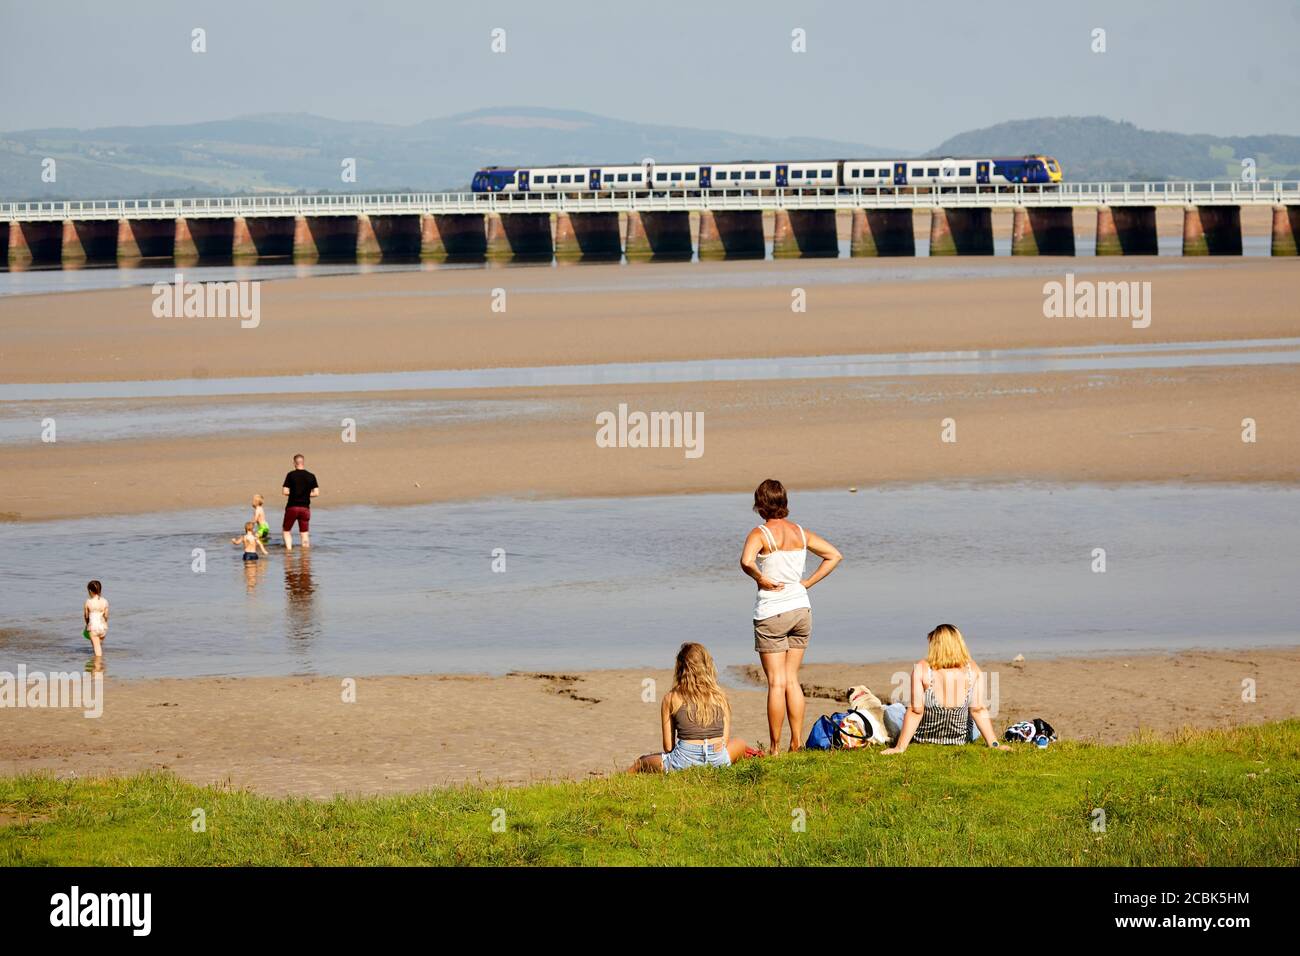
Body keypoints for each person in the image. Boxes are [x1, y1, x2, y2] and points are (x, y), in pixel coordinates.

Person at [740, 479, 841, 755]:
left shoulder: (760, 533)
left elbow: (746, 561)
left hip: (772, 612)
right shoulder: (799, 532)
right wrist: (806, 583)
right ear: (784, 502)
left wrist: (761, 579)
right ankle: (796, 741)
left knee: (776, 682)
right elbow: (834, 555)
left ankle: (774, 747)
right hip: (801, 610)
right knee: (792, 679)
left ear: (760, 506)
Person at [881, 623, 1008, 754]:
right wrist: (994, 744)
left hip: (925, 737)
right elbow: (978, 710)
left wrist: (899, 747)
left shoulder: (922, 668)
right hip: (961, 738)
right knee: (974, 718)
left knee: (892, 709)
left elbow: (915, 711)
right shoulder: (973, 669)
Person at [628, 642, 749, 774]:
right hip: (717, 760)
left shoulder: (671, 698)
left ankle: (617, 780)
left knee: (641, 762)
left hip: (683, 762)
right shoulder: (720, 696)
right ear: (707, 665)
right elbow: (724, 742)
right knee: (740, 743)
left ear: (680, 668)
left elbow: (668, 747)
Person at [281, 454, 319, 551]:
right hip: (305, 508)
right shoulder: (311, 476)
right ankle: (305, 556)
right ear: (303, 462)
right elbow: (316, 493)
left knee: (286, 531)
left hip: (292, 507)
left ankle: (289, 552)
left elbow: (284, 491)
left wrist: (294, 493)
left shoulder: (290, 475)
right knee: (304, 533)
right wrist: (306, 494)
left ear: (294, 463)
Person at [83, 580, 109, 658]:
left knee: (97, 651)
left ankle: (98, 666)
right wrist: (105, 623)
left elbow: (86, 616)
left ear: (90, 590)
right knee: (98, 646)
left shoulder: (88, 602)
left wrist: (87, 624)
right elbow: (106, 615)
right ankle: (101, 667)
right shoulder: (105, 601)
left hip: (93, 627)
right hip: (103, 627)